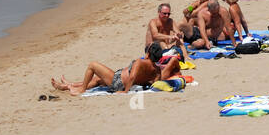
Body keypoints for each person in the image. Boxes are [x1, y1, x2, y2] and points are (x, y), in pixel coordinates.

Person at [52, 43, 181, 96]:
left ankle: (82, 90)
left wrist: (125, 91)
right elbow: (153, 83)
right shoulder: (157, 70)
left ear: (148, 54)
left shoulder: (141, 62)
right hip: (118, 80)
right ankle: (68, 85)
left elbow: (132, 76)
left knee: (92, 65)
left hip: (117, 81)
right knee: (97, 80)